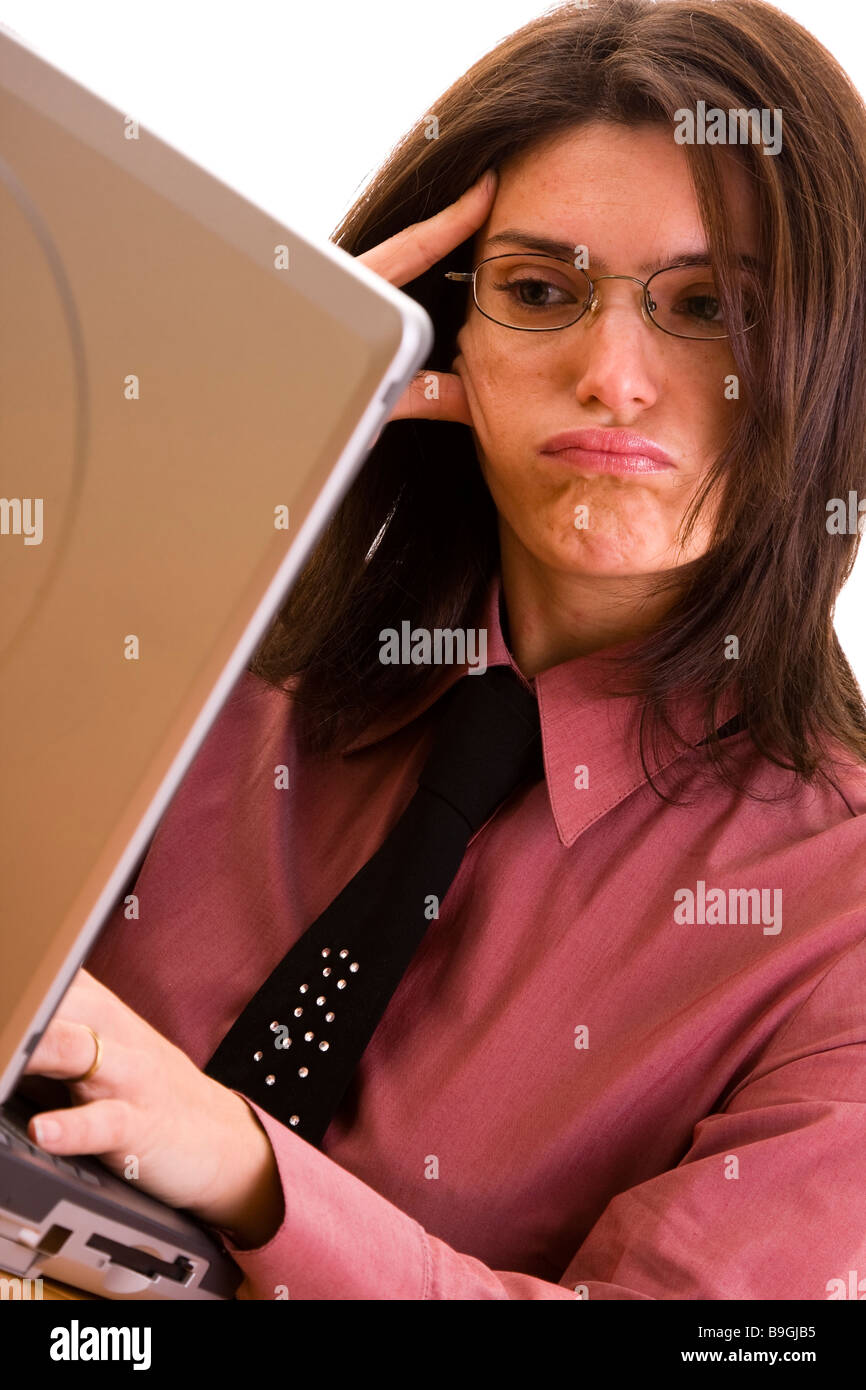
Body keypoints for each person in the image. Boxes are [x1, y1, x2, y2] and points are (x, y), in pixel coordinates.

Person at [22, 0, 866, 1299]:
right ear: (443, 328)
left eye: (711, 308)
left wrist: (248, 1170)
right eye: (538, 290)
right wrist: (201, 434)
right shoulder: (203, 657)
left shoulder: (834, 910)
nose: (612, 373)